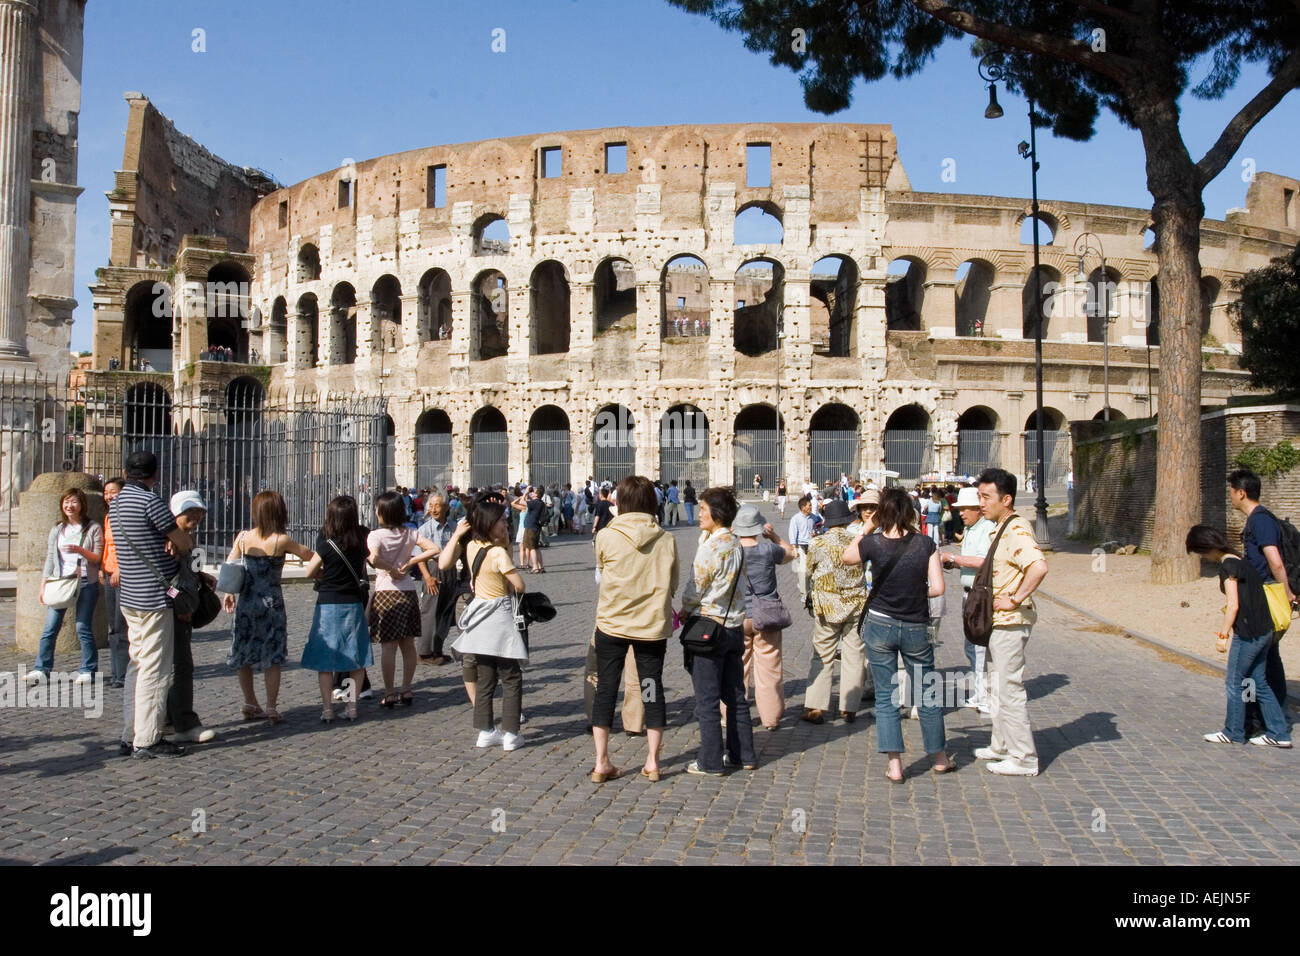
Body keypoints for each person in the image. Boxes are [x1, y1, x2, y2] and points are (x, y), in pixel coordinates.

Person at [843, 487, 953, 782]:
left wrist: (866, 527)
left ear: (883, 514)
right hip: (916, 624)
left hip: (880, 624)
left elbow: (847, 557)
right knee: (927, 692)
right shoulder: (925, 543)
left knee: (886, 697)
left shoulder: (873, 544)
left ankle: (895, 765)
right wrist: (916, 592)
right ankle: (940, 757)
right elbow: (939, 588)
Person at [590, 476, 679, 782]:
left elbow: (601, 574)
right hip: (650, 627)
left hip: (611, 623)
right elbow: (674, 585)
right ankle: (653, 761)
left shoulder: (606, 536)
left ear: (621, 502)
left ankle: (601, 762)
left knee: (605, 689)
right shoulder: (666, 539)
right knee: (651, 688)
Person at [112, 450, 193, 759]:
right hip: (154, 597)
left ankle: (129, 733)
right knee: (155, 669)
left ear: (125, 471)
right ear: (154, 474)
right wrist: (175, 540)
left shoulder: (116, 503)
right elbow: (183, 542)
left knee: (137, 663)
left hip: (130, 595)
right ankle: (147, 739)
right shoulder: (150, 502)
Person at [1186, 525, 1292, 747]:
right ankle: (1279, 732)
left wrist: (1222, 635)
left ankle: (1233, 731)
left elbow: (1233, 605)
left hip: (1248, 634)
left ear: (1206, 547)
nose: (1202, 557)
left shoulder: (1228, 566)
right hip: (1265, 631)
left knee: (1235, 682)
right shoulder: (1242, 560)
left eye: (1200, 552)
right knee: (1258, 682)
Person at [972, 468, 1048, 776]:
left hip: (1010, 620)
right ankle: (1001, 744)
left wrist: (1015, 598)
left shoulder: (1016, 529)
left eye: (986, 497)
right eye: (979, 496)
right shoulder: (1000, 528)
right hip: (998, 621)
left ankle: (1024, 757)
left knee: (1009, 688)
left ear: (1006, 499)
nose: (981, 503)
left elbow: (1038, 567)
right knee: (995, 686)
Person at [222, 490, 315, 724]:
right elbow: (309, 554)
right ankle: (271, 706)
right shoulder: (281, 540)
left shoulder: (243, 537)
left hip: (246, 600)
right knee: (272, 655)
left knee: (242, 651)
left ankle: (250, 702)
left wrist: (229, 593)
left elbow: (231, 564)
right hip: (271, 602)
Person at [679, 487, 755, 775]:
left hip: (709, 629)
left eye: (702, 509)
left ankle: (710, 761)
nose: (699, 514)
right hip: (734, 626)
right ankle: (743, 753)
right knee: (735, 695)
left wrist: (685, 609)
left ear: (716, 514)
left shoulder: (710, 547)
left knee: (707, 700)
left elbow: (695, 586)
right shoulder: (736, 542)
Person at [449, 500, 528, 750]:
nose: (506, 523)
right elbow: (519, 585)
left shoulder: (472, 546)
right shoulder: (497, 553)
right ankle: (511, 733)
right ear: (490, 524)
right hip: (500, 615)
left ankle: (485, 730)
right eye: (502, 520)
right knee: (511, 676)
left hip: (480, 615)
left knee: (485, 677)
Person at [1229, 468, 1294, 732]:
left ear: (1241, 493)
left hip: (1266, 594)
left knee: (1258, 660)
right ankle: (1274, 717)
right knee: (1269, 658)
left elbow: (1275, 561)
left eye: (1231, 492)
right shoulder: (1258, 519)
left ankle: (1264, 722)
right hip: (1263, 591)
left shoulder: (1260, 520)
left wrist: (1286, 592)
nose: (1231, 496)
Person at [301, 495, 373, 723]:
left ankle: (327, 709)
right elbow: (369, 561)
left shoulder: (326, 538)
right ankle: (352, 708)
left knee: (326, 659)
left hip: (328, 603)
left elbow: (309, 571)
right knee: (355, 658)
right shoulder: (362, 536)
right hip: (352, 602)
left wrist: (326, 574)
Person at [368, 491, 440, 707]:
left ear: (382, 512)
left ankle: (389, 692)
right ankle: (406, 688)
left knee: (388, 646)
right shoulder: (410, 533)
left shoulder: (376, 535)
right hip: (407, 591)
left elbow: (373, 558)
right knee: (408, 645)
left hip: (385, 592)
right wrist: (410, 563)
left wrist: (390, 568)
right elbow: (435, 549)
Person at [732, 504, 797, 730]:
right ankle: (770, 718)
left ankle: (729, 715)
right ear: (759, 528)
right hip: (766, 615)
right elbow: (792, 553)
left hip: (737, 616)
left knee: (735, 668)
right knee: (769, 669)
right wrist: (775, 536)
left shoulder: (730, 551)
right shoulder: (769, 551)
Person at [803, 499, 868, 724]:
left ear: (828, 522)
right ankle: (849, 707)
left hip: (827, 605)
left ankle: (816, 706)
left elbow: (809, 570)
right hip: (856, 603)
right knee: (854, 655)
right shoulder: (859, 541)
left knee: (823, 654)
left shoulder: (817, 543)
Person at [33, 488, 103, 683]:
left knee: (82, 627)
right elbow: (50, 558)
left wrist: (80, 550)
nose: (69, 506)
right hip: (61, 582)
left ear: (82, 505)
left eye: (74, 502)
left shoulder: (93, 528)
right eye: (66, 502)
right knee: (50, 627)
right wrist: (43, 584)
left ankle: (88, 669)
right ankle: (41, 668)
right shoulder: (57, 529)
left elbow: (97, 557)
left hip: (85, 583)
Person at [166, 491, 217, 744]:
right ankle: (183, 722)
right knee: (181, 667)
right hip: (176, 610)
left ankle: (168, 719)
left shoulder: (190, 539)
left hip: (186, 607)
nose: (195, 516)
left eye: (199, 511)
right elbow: (165, 582)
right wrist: (179, 603)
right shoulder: (169, 541)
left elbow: (193, 568)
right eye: (190, 512)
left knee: (176, 666)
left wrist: (202, 576)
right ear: (176, 513)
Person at [940, 486, 995, 712]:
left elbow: (984, 561)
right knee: (971, 646)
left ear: (978, 509)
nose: (961, 513)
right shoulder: (972, 529)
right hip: (969, 592)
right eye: (960, 509)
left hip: (979, 594)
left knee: (980, 646)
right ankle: (980, 692)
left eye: (965, 509)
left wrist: (954, 557)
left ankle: (986, 695)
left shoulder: (987, 528)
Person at [416, 494, 457, 666]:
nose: (433, 509)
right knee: (429, 612)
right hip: (432, 570)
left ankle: (437, 649)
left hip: (450, 571)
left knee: (445, 612)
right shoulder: (424, 530)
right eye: (430, 505)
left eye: (437, 505)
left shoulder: (454, 527)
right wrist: (427, 577)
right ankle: (424, 652)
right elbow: (420, 558)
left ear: (446, 508)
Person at [100, 477, 128, 688]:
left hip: (123, 574)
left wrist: (119, 567)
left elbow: (127, 544)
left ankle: (124, 673)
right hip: (109, 573)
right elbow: (108, 546)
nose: (109, 496)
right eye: (107, 492)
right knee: (113, 626)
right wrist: (103, 568)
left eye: (113, 492)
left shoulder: (125, 516)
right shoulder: (108, 516)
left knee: (121, 625)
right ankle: (116, 672)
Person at [788, 495, 817, 605]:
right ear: (803, 507)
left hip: (812, 546)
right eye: (809, 505)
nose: (811, 507)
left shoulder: (814, 517)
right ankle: (804, 594)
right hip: (801, 546)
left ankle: (810, 589)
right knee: (803, 571)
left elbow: (819, 526)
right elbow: (792, 534)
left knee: (812, 571)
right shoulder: (795, 518)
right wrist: (794, 548)